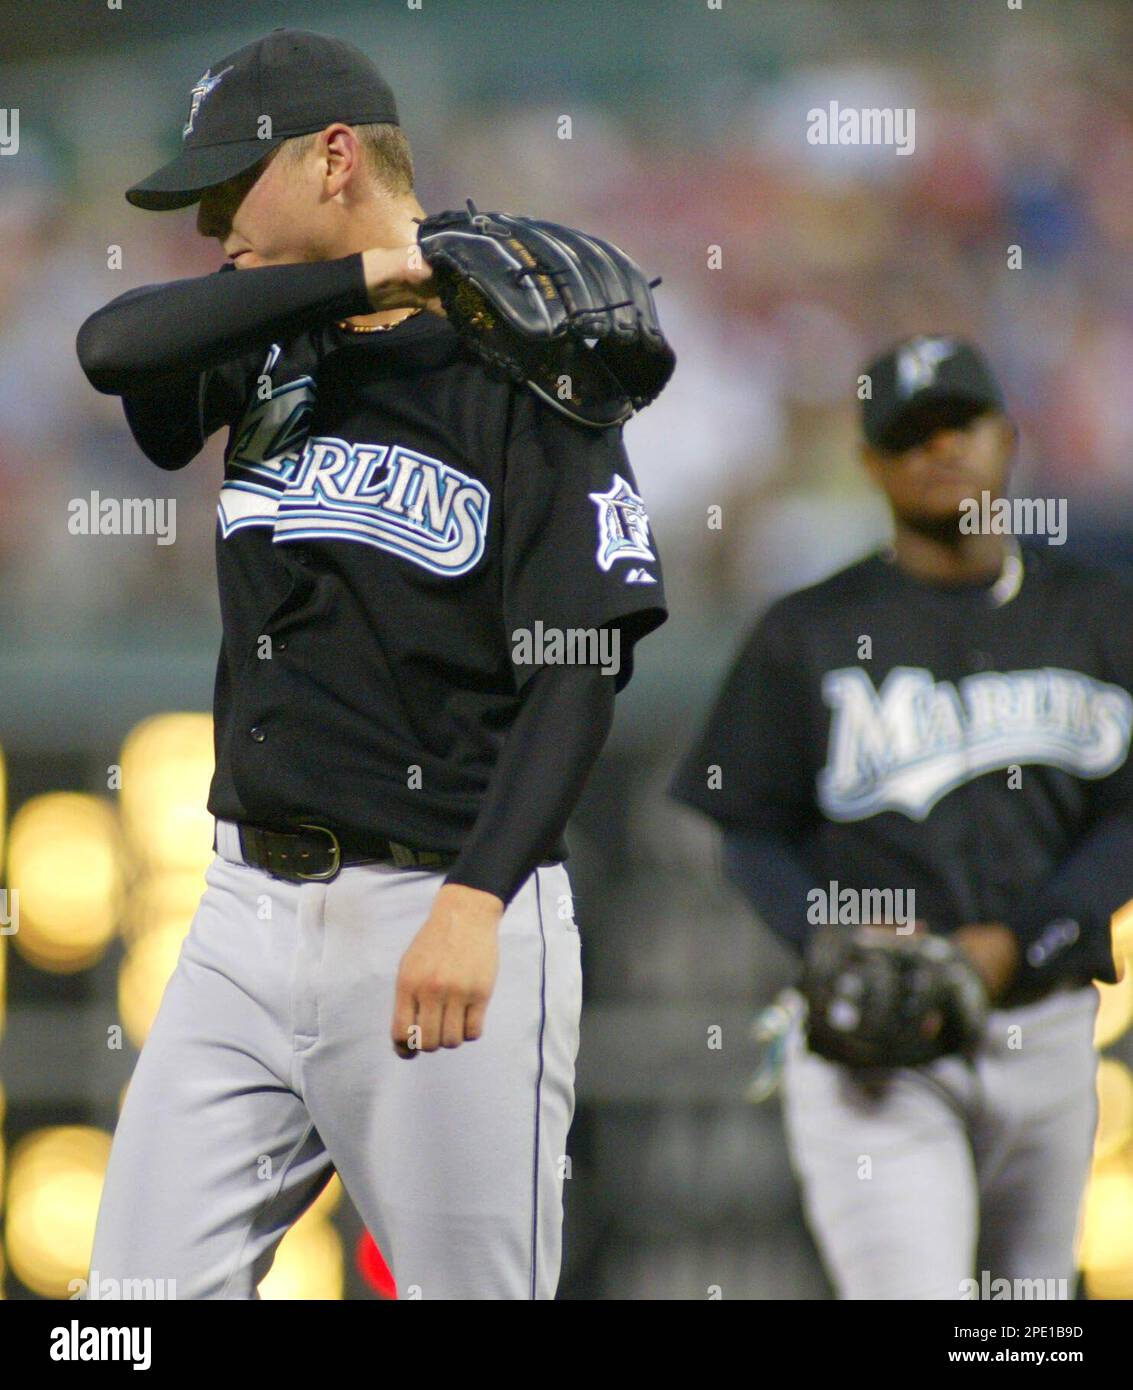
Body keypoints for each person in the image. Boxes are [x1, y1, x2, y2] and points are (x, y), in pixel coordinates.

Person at [76, 26, 667, 1301]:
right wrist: (364, 274)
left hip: (442, 905)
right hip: (240, 911)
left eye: (231, 187)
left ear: (335, 155)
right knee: (122, 1315)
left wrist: (478, 898)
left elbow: (579, 664)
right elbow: (115, 349)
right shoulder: (266, 331)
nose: (210, 222)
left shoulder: (521, 347)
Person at [671, 335, 1133, 1300]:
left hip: (1044, 1027)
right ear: (871, 462)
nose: (939, 450)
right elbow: (745, 822)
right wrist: (831, 934)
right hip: (876, 1043)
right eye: (908, 434)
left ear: (1007, 437)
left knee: (1030, 1324)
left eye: (957, 424)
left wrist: (1024, 938)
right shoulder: (809, 628)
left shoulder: (1099, 615)